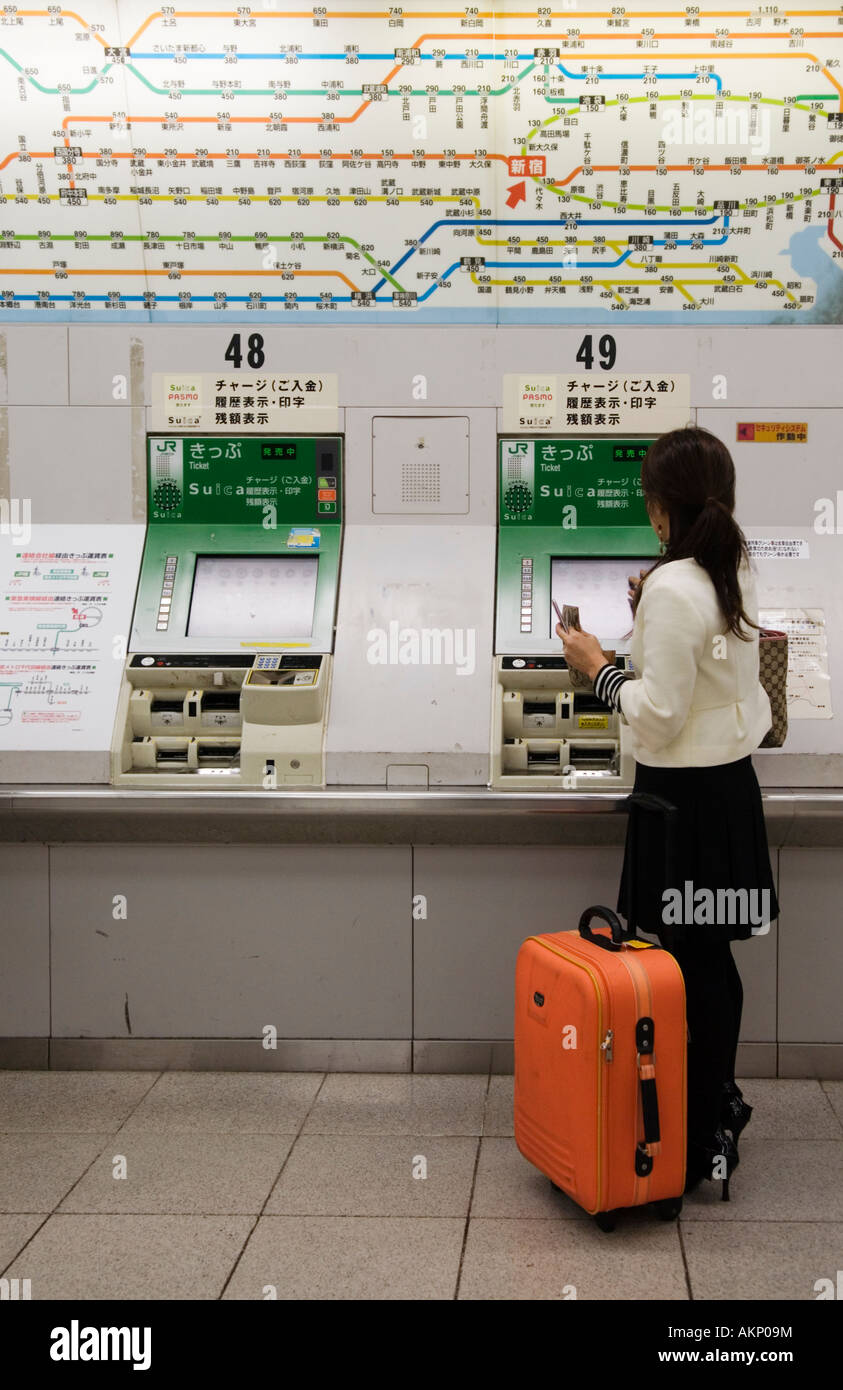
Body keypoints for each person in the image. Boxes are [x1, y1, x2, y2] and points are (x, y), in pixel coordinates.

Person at [555, 425, 778, 1200]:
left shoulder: (676, 587)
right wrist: (646, 617)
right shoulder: (728, 570)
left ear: (657, 509)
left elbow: (656, 716)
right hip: (727, 792)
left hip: (681, 801)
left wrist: (598, 668)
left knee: (689, 961)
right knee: (708, 957)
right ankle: (711, 1108)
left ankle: (703, 1121)